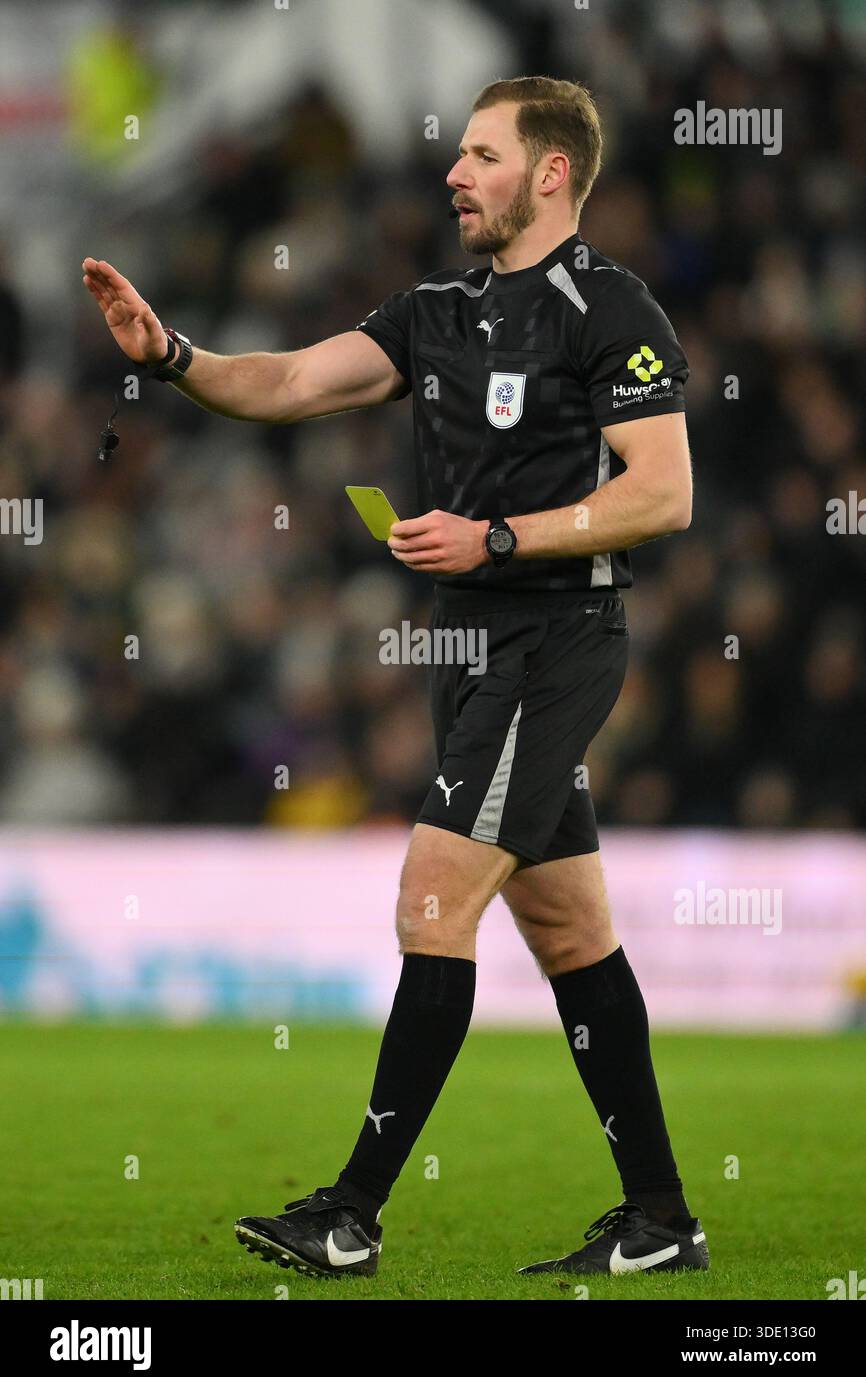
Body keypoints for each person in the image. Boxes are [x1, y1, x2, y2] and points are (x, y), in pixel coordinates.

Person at [83, 75, 708, 1280]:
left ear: (549, 174)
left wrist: (503, 538)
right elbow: (291, 383)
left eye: (479, 154)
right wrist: (170, 354)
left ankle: (352, 1212)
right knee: (571, 929)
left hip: (552, 643)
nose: (451, 173)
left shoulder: (608, 307)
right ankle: (660, 1215)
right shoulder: (434, 311)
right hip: (467, 648)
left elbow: (664, 492)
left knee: (430, 902)